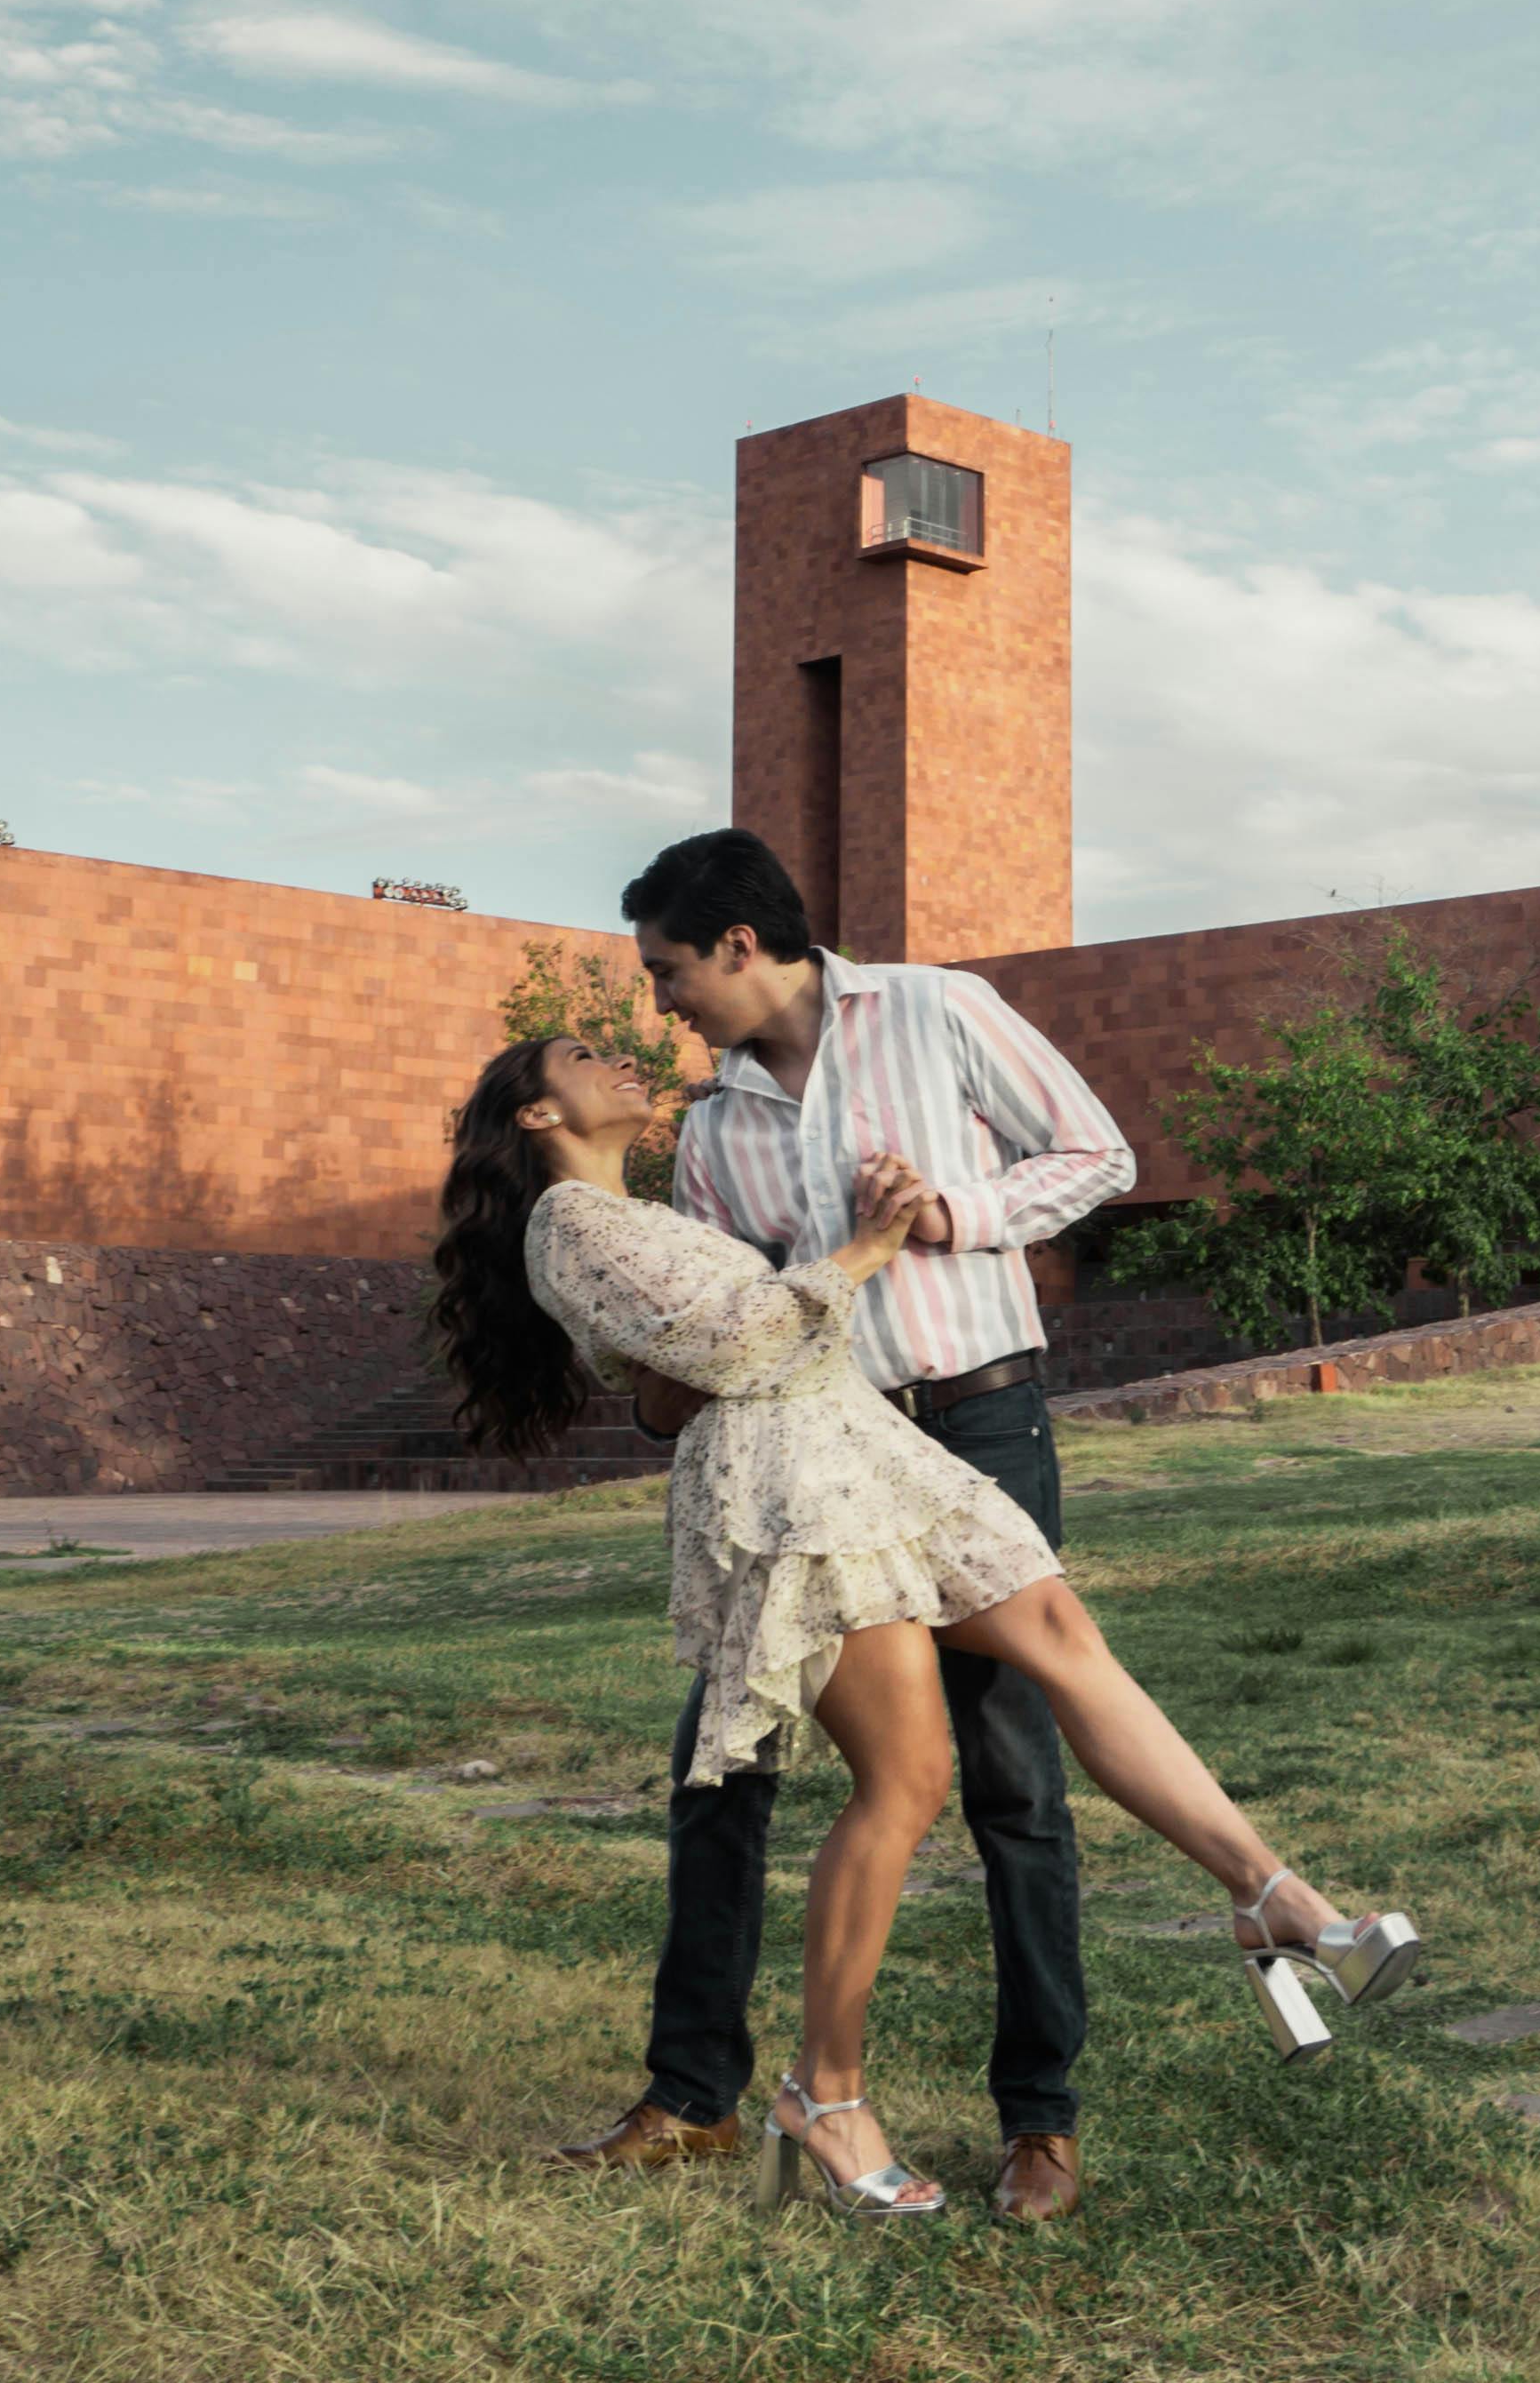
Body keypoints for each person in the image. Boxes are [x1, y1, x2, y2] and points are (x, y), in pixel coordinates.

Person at [428, 1023, 1424, 2223]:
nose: (624, 1051)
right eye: (583, 1054)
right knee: (905, 1782)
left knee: (1063, 1634)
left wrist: (827, 1260)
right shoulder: (569, 1224)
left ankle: (1278, 1899)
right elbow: (735, 1348)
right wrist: (862, 1246)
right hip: (794, 1481)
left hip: (868, 1449)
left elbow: (707, 1353)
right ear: (536, 1116)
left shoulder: (648, 1212)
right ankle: (826, 2095)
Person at [544, 830, 1130, 2216]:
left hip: (980, 1421)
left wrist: (952, 1218)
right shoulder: (710, 1129)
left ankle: (1039, 2117)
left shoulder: (938, 1009)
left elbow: (1097, 1153)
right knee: (721, 1765)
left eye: (670, 969)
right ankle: (693, 2095)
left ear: (740, 946)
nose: (663, 1002)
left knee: (1009, 1775)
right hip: (815, 1470)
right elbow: (731, 1320)